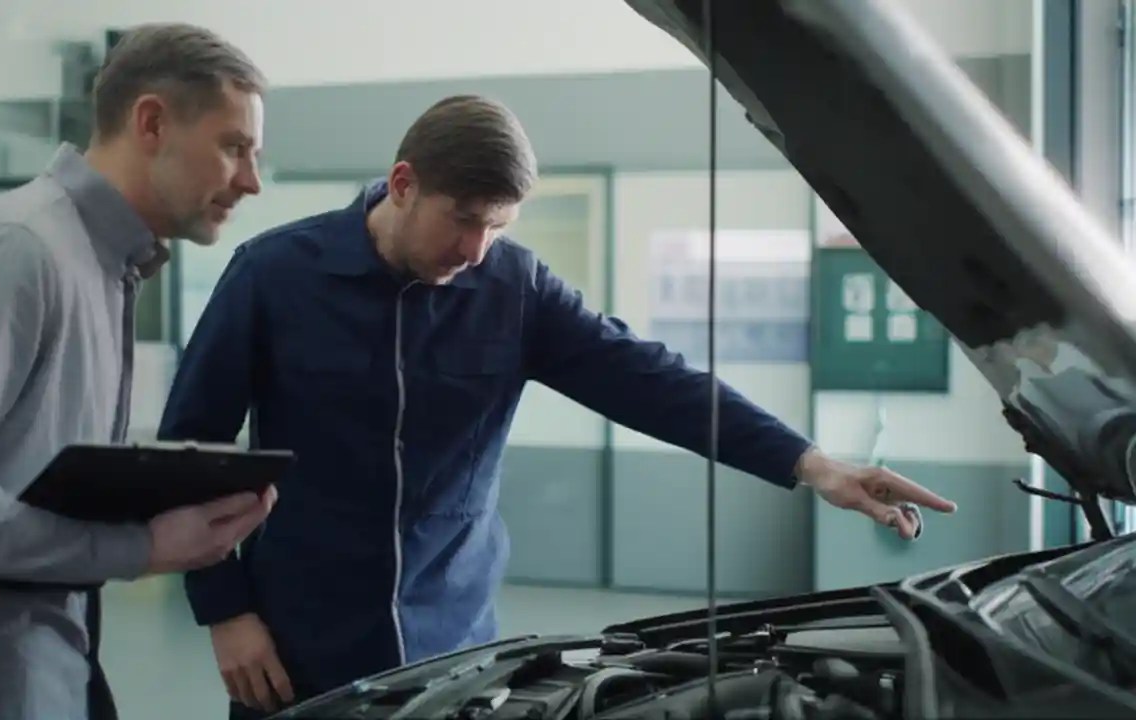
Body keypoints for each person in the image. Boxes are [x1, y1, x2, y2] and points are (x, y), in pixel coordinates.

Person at [158, 94, 958, 716]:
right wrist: (224, 613)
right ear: (404, 184)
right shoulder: (273, 276)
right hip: (294, 646)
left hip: (458, 651)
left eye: (497, 228)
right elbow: (190, 447)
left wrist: (813, 465)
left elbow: (654, 381)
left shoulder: (514, 288)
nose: (475, 251)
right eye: (463, 220)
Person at [0, 22, 276, 720]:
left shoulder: (103, 266)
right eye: (234, 147)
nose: (252, 181)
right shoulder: (19, 251)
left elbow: (26, 476)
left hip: (48, 669)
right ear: (151, 122)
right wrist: (136, 546)